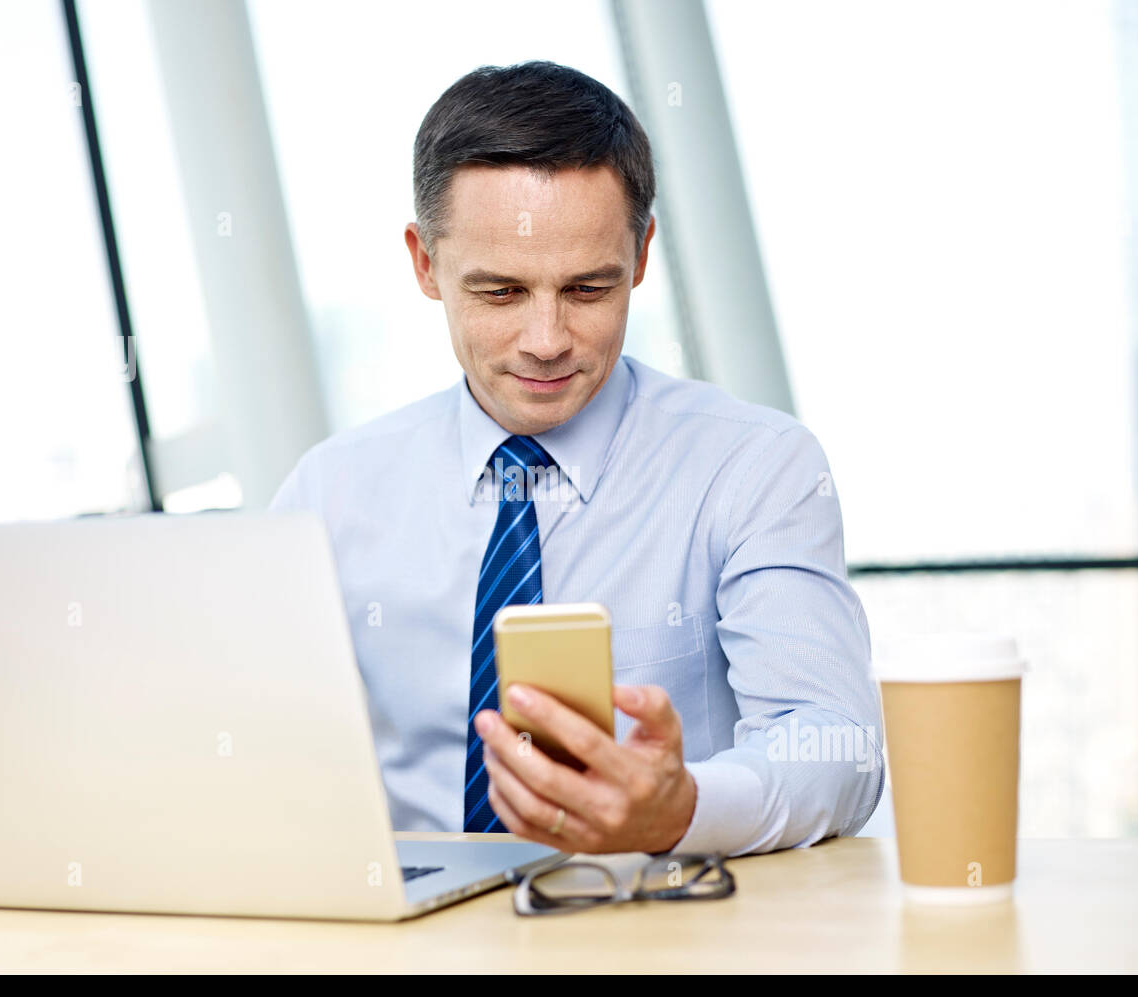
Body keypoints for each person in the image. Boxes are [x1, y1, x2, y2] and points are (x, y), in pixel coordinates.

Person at [271, 60, 883, 856]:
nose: (547, 339)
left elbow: (833, 741)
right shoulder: (332, 491)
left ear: (640, 255)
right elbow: (255, 740)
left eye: (589, 289)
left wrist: (686, 806)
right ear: (426, 264)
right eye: (501, 292)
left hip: (662, 928)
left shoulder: (755, 468)